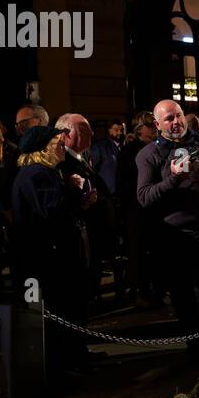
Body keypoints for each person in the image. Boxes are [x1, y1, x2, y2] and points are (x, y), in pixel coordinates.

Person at [137, 99, 199, 373]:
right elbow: (144, 197)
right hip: (175, 237)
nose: (176, 122)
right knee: (184, 298)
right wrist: (172, 179)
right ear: (157, 124)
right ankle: (195, 352)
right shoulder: (149, 154)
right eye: (168, 118)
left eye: (178, 115)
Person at [10, 125, 92, 370]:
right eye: (57, 142)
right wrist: (74, 190)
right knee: (57, 312)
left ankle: (72, 357)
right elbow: (53, 211)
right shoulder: (37, 174)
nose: (62, 146)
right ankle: (61, 365)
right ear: (41, 149)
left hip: (50, 256)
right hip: (46, 260)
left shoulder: (46, 173)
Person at [56, 112, 116, 300]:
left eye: (90, 129)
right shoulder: (62, 162)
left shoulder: (82, 157)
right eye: (83, 129)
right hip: (82, 238)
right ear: (65, 134)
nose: (90, 133)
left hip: (94, 237)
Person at [118, 111, 160, 304]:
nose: (154, 129)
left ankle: (156, 289)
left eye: (155, 125)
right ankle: (140, 292)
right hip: (137, 209)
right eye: (149, 126)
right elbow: (124, 182)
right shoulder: (130, 151)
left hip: (156, 208)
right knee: (139, 251)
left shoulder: (159, 148)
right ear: (139, 129)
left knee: (155, 250)